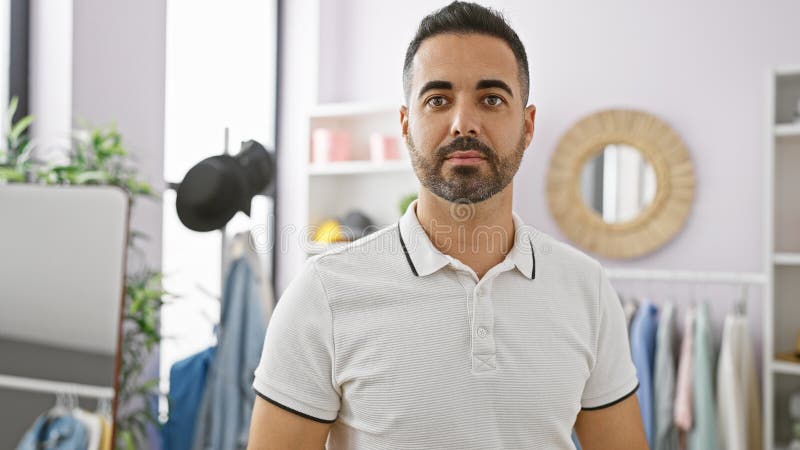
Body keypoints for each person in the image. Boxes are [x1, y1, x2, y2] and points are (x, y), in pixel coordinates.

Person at [247, 2, 648, 449]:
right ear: (405, 124)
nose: (463, 123)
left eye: (491, 99)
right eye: (438, 100)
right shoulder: (323, 294)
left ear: (528, 125)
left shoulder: (587, 288)